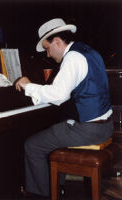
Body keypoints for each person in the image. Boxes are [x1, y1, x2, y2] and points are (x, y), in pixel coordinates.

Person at [15, 18, 114, 199]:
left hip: (90, 130)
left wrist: (28, 86)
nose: (48, 55)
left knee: (33, 145)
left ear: (57, 42)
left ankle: (43, 195)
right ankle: (56, 189)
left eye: (47, 48)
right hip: (106, 125)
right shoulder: (88, 51)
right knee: (55, 132)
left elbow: (59, 95)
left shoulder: (72, 58)